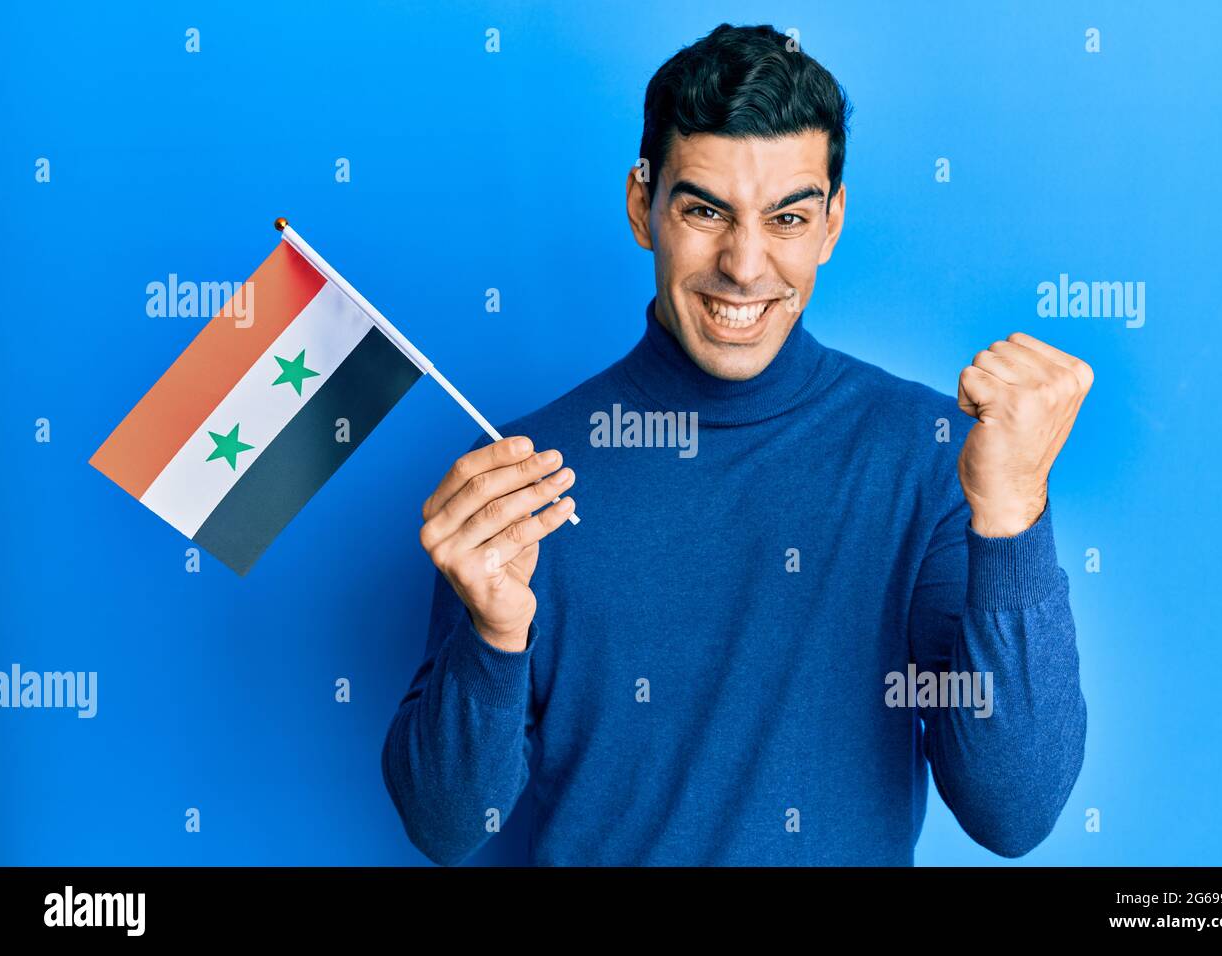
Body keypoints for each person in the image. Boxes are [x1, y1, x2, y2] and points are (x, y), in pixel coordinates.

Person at [383, 22, 1092, 866]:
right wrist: (493, 636)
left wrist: (1011, 516)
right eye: (705, 210)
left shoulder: (931, 457)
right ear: (642, 208)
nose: (745, 265)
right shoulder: (521, 474)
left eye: (787, 217)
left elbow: (1013, 813)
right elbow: (449, 827)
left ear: (831, 224)